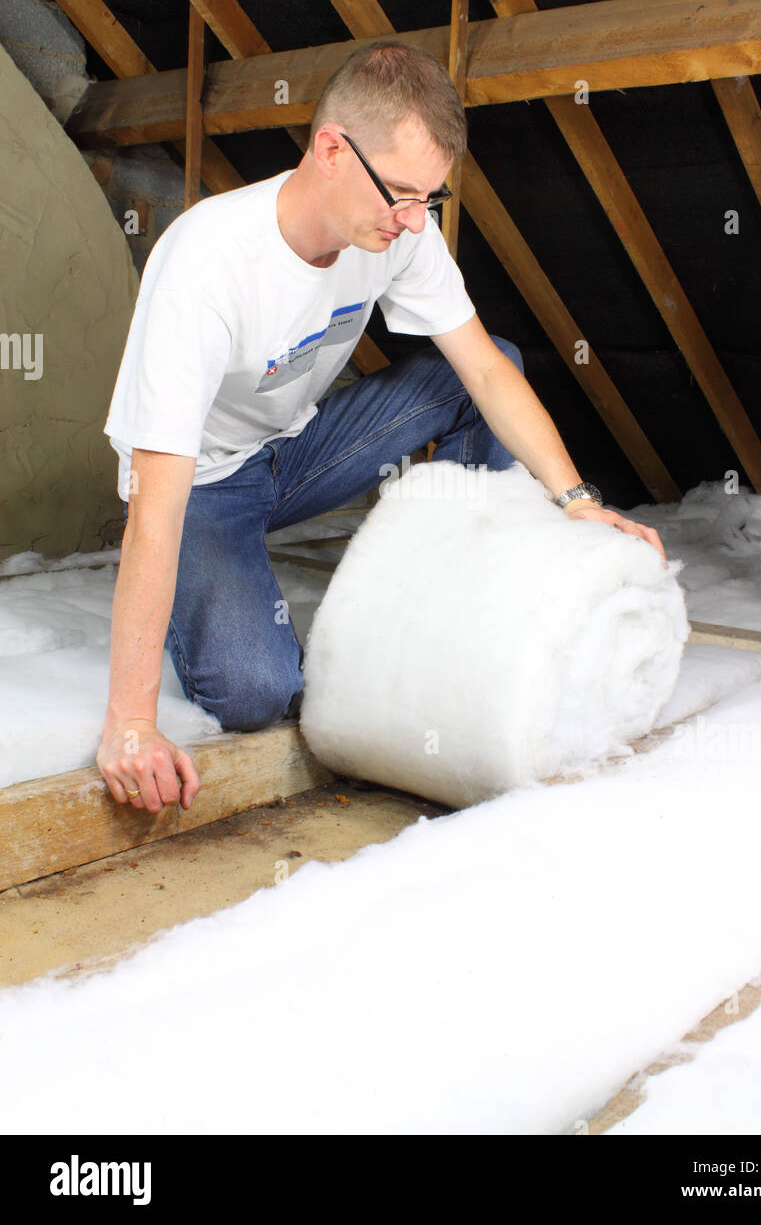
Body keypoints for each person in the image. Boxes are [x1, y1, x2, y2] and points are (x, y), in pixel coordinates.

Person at [96, 41, 666, 815]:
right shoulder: (207, 265)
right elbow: (154, 515)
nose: (411, 221)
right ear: (331, 150)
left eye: (428, 200)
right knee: (260, 692)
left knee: (489, 356)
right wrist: (130, 724)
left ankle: (463, 612)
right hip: (202, 484)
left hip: (296, 448)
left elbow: (487, 374)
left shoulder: (400, 231)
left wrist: (575, 497)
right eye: (399, 194)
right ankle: (215, 600)